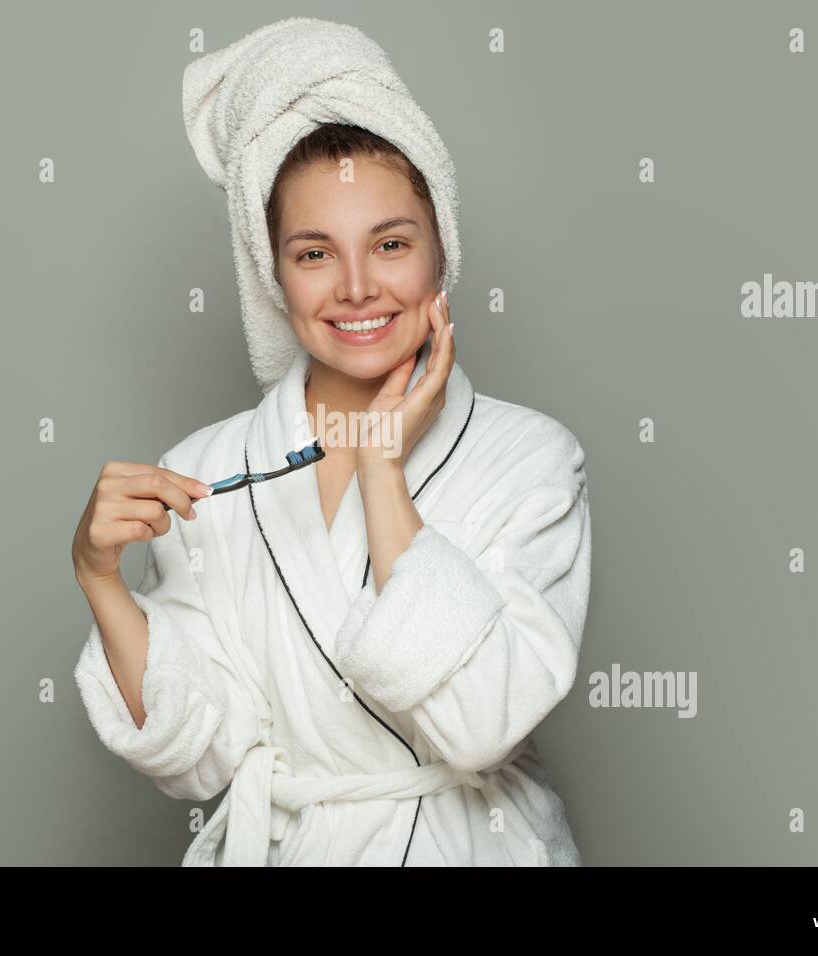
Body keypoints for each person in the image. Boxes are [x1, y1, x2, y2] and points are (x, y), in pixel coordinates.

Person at [70, 20, 592, 866]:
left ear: (441, 254)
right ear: (273, 275)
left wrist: (382, 470)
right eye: (315, 253)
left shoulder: (530, 458)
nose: (356, 287)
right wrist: (100, 579)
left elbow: (482, 725)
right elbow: (199, 750)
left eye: (390, 244)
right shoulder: (206, 470)